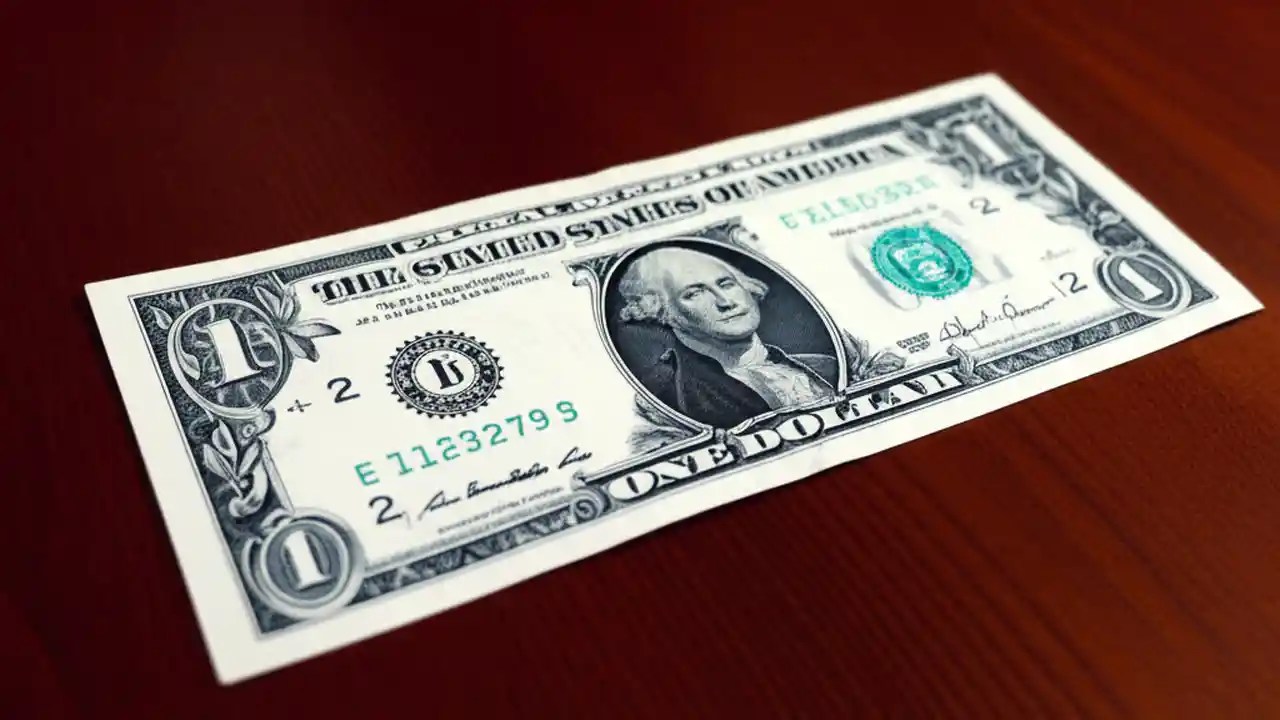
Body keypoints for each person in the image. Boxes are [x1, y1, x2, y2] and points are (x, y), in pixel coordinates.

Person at [617, 246, 837, 428]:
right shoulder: (670, 399)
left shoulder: (824, 367)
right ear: (661, 311)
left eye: (726, 284)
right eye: (694, 293)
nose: (726, 302)